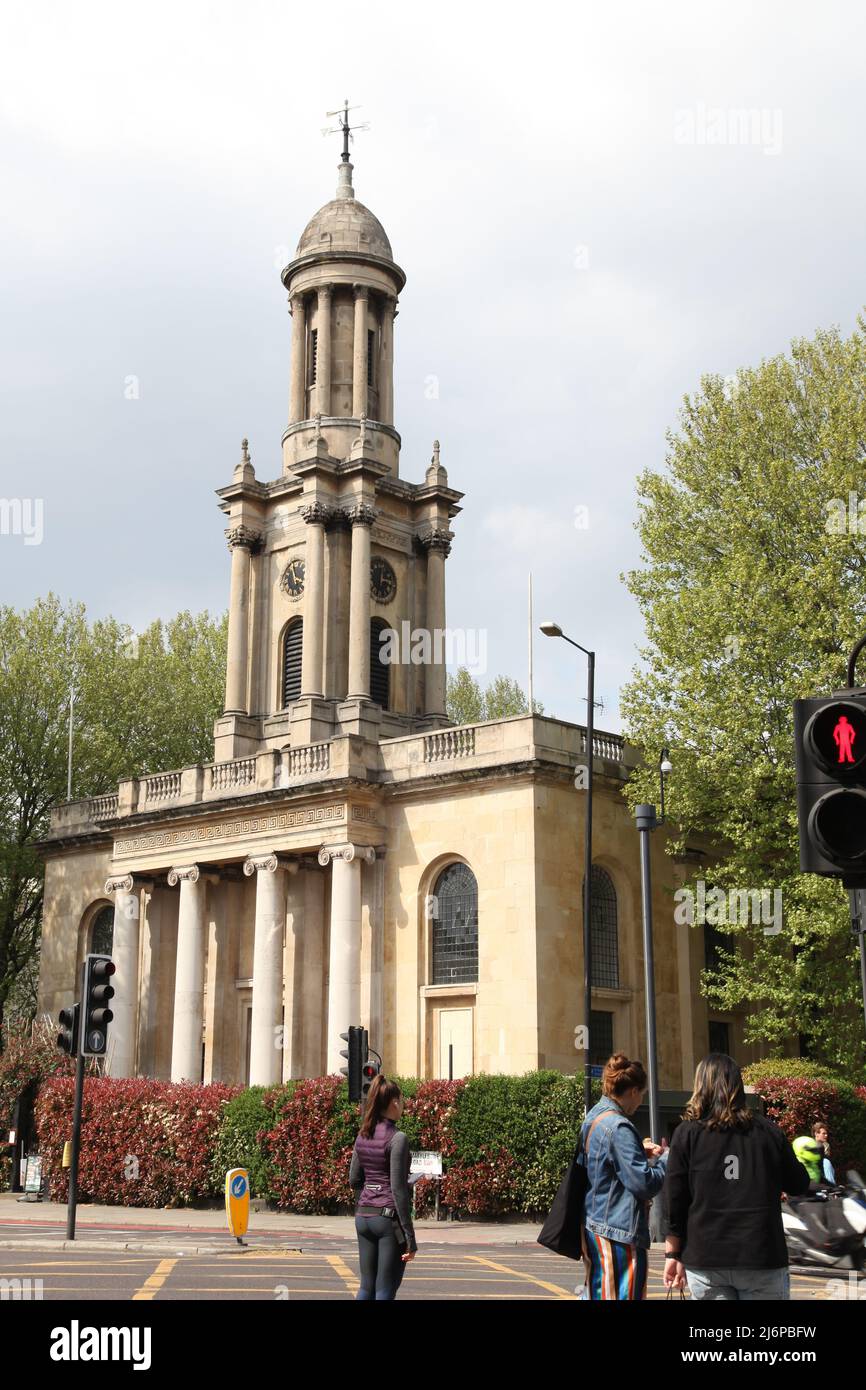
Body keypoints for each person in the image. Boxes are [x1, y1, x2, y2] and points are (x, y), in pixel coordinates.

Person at [663, 1053, 810, 1300]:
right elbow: (798, 1183)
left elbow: (675, 1200)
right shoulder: (769, 1132)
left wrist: (672, 1255)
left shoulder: (687, 1133)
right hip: (760, 1253)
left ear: (701, 1086)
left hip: (706, 1255)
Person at [580, 1052, 668, 1300]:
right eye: (642, 1094)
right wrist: (665, 1161)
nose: (641, 1101)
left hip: (595, 1223)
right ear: (632, 1091)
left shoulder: (595, 1116)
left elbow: (605, 1163)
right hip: (617, 1231)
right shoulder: (619, 1127)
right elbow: (644, 1183)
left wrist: (639, 1150)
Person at [349, 1075, 417, 1300]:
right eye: (403, 1101)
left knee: (366, 1286)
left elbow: (354, 1179)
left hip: (363, 1217)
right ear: (394, 1103)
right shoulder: (397, 1138)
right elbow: (398, 1190)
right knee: (385, 1289)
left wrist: (369, 1197)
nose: (404, 1106)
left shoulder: (363, 1134)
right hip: (387, 1220)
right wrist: (410, 1237)